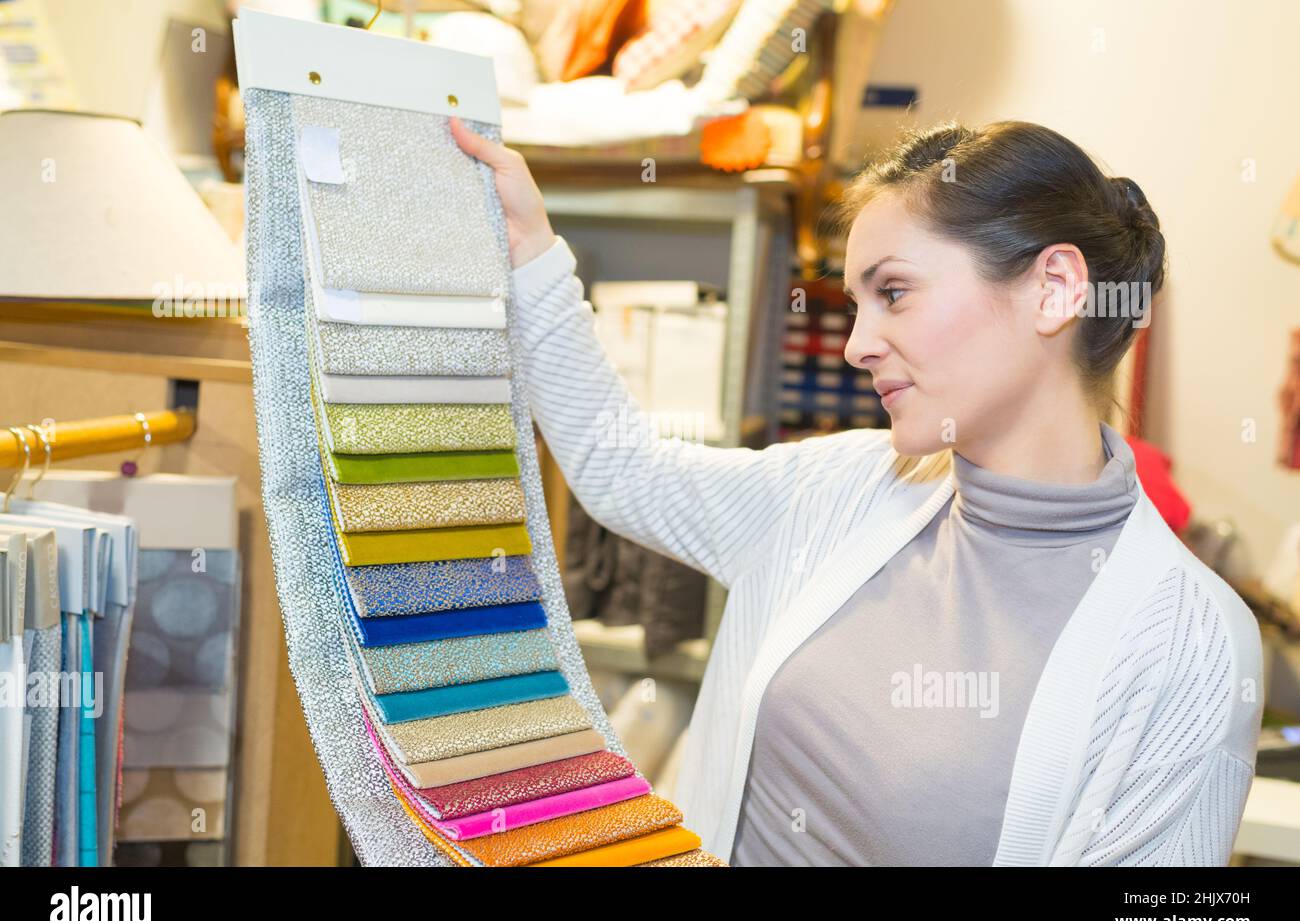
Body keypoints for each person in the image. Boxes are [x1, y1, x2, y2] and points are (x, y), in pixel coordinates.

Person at [450, 117, 1264, 866]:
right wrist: (533, 250)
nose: (858, 346)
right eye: (855, 304)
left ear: (1054, 288)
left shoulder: (1192, 649)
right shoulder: (841, 487)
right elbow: (621, 468)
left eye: (895, 293)